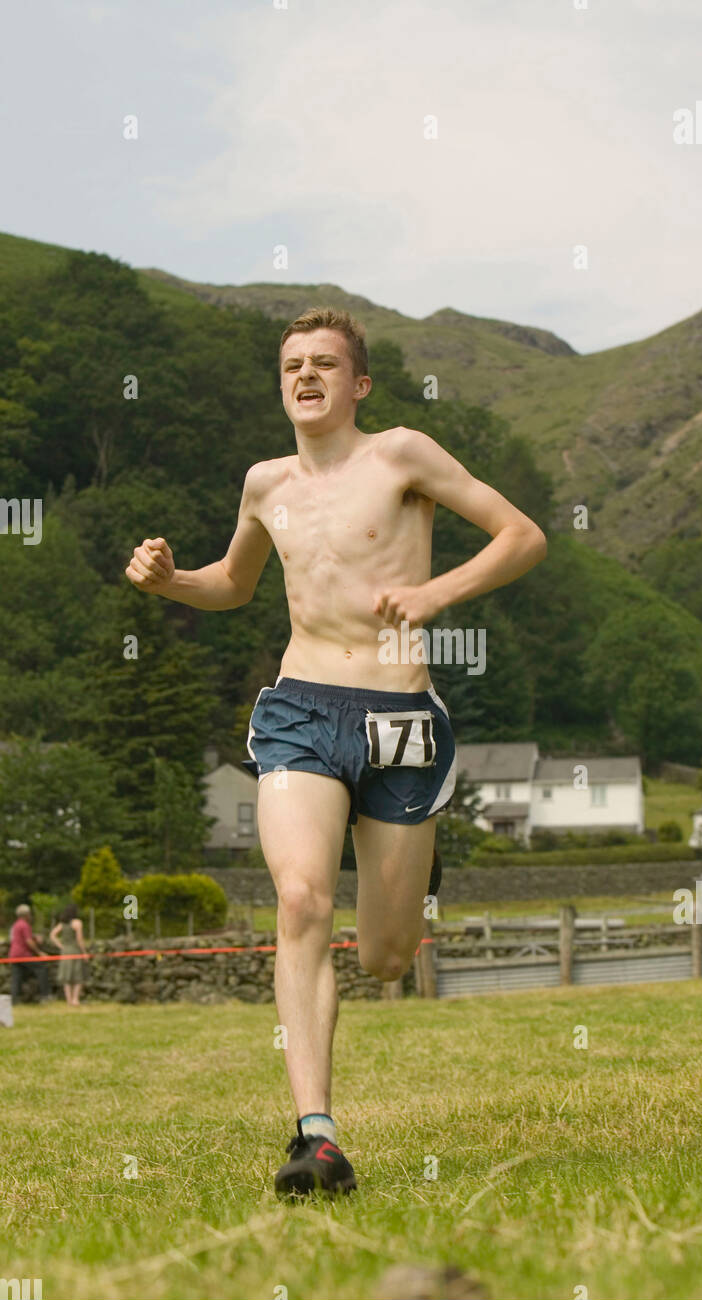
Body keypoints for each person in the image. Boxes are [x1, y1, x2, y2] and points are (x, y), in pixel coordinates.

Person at [125, 306, 546, 1195]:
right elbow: (233, 587)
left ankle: (412, 874)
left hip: (399, 718)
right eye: (291, 365)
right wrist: (172, 582)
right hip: (299, 709)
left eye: (324, 363)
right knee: (304, 898)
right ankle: (315, 1136)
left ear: (358, 384)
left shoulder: (402, 455)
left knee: (384, 958)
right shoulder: (264, 484)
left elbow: (522, 536)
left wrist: (437, 592)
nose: (305, 376)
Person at [8, 903, 52, 1004]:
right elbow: (28, 941)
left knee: (16, 977)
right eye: (29, 913)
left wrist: (34, 937)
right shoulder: (25, 925)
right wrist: (40, 952)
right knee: (41, 969)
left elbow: (19, 938)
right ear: (26, 914)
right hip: (23, 955)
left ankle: (14, 1000)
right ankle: (45, 995)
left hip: (13, 955)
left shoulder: (16, 924)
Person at [49, 904, 87, 1007]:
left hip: (65, 952)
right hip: (75, 951)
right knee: (77, 975)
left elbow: (52, 935)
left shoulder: (62, 923)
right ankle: (75, 999)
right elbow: (79, 939)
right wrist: (84, 952)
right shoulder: (77, 923)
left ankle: (69, 1000)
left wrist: (61, 946)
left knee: (67, 976)